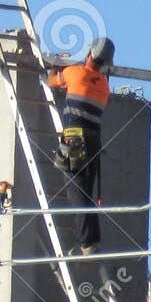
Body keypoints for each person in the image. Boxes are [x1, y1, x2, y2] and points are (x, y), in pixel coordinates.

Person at [48, 36, 114, 254]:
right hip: (93, 143)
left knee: (76, 193)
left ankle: (86, 243)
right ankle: (92, 240)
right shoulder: (104, 86)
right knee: (86, 193)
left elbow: (52, 81)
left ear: (89, 54)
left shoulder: (75, 73)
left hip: (75, 142)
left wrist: (56, 65)